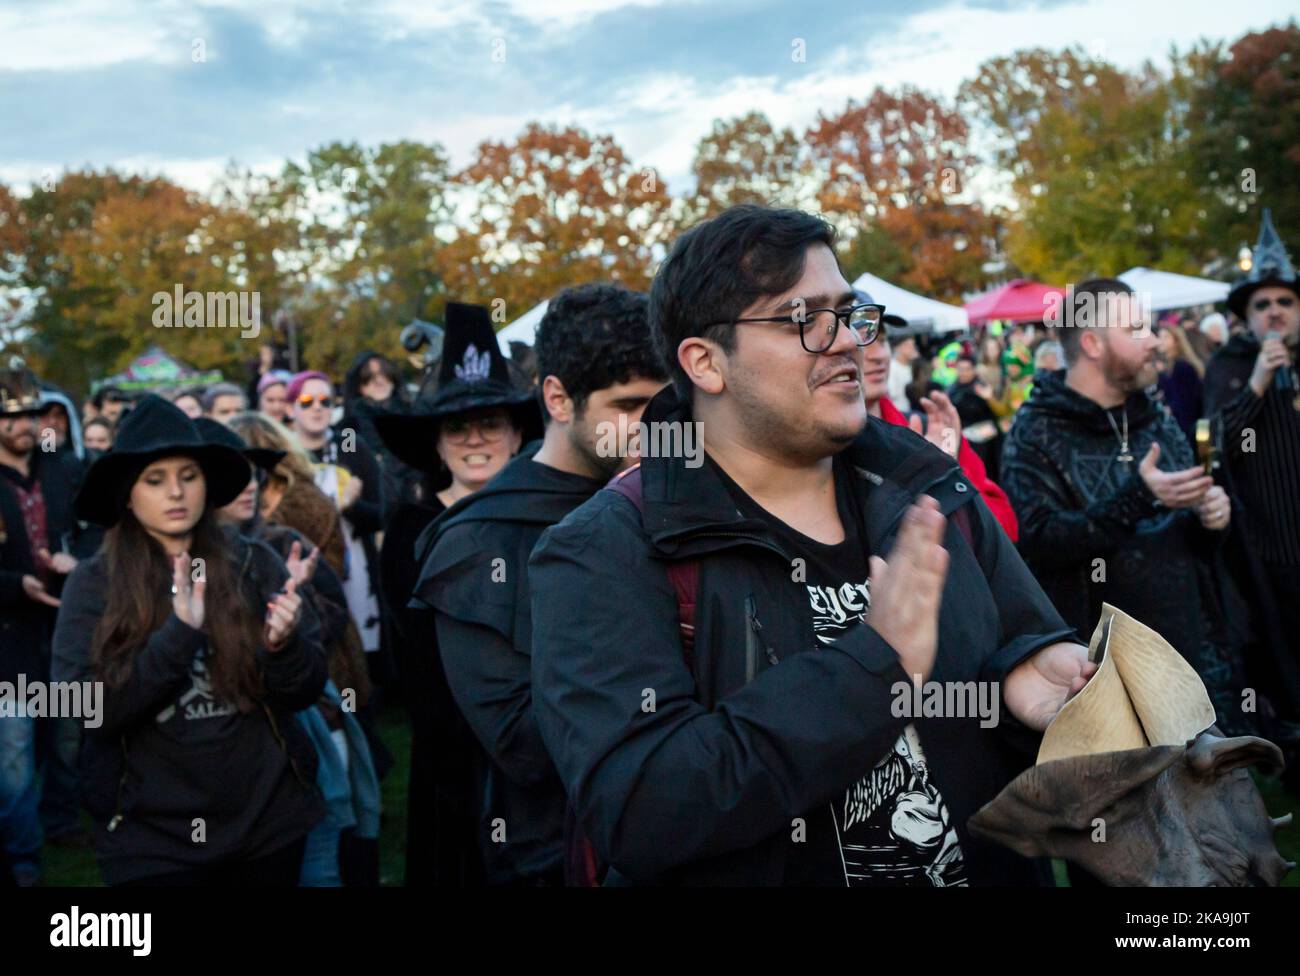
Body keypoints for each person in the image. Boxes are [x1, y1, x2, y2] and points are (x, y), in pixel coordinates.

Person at [530, 205, 1094, 887]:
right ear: (705, 362)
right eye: (804, 320)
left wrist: (1029, 681)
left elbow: (1018, 643)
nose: (846, 342)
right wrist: (873, 666)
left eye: (850, 314)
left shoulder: (923, 486)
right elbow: (645, 807)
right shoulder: (606, 551)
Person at [408, 286, 666, 887]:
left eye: (664, 404)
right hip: (554, 852)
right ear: (557, 397)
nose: (653, 429)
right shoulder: (478, 542)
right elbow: (521, 742)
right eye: (627, 405)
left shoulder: (671, 496)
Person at [51, 395, 327, 886]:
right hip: (153, 844)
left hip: (266, 827)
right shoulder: (95, 583)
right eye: (155, 480)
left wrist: (283, 647)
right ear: (128, 494)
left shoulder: (254, 561)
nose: (175, 492)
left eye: (189, 476)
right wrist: (177, 636)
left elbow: (303, 690)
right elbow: (80, 708)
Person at [1001, 279, 1244, 730]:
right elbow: (1039, 544)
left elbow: (1188, 533)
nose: (1154, 339)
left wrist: (1212, 518)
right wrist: (1138, 498)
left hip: (1196, 652)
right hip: (1107, 674)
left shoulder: (1154, 413)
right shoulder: (1035, 433)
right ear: (1092, 343)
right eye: (1136, 329)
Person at [373, 301, 542, 887]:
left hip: (542, 738)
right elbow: (422, 654)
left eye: (490, 422)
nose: (475, 439)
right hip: (453, 751)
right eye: (457, 426)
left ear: (517, 432)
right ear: (436, 443)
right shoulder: (409, 530)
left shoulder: (549, 519)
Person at [199, 418, 379, 887]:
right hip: (231, 763)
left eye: (254, 475)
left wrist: (295, 608)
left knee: (324, 851)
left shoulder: (278, 544)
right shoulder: (173, 569)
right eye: (233, 477)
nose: (248, 486)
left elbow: (330, 624)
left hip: (313, 723)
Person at [1203, 209, 1300, 740]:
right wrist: (1259, 381)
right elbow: (1214, 443)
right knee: (1281, 654)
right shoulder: (1231, 365)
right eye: (1263, 304)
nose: (1275, 312)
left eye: (1285, 301)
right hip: (1268, 550)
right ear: (1248, 315)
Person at [0, 366, 81, 885]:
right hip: (9, 639)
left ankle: (63, 823)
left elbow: (95, 531)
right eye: (11, 417)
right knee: (15, 753)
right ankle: (22, 856)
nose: (25, 425)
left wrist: (78, 562)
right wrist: (13, 583)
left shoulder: (62, 470)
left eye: (31, 413)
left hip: (65, 629)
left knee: (68, 737)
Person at [860, 312, 1018, 540]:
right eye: (863, 340)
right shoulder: (822, 457)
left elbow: (1004, 527)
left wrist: (948, 478)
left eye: (882, 340)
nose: (878, 355)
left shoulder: (931, 428)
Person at [287, 370, 385, 662]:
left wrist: (352, 506)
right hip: (304, 562)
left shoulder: (350, 444)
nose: (317, 407)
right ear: (291, 408)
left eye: (325, 401)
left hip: (358, 568)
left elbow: (380, 515)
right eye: (306, 401)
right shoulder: (284, 455)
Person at [948, 352, 1006, 484]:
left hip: (984, 442)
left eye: (967, 369)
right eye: (960, 369)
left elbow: (994, 415)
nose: (963, 373)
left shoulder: (982, 389)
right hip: (960, 438)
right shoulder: (951, 390)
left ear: (974, 370)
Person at [1154, 323, 1204, 448]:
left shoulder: (1182, 367)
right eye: (1160, 337)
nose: (1161, 341)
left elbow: (1184, 402)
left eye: (1165, 337)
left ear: (1176, 341)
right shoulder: (1170, 366)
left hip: (1189, 429)